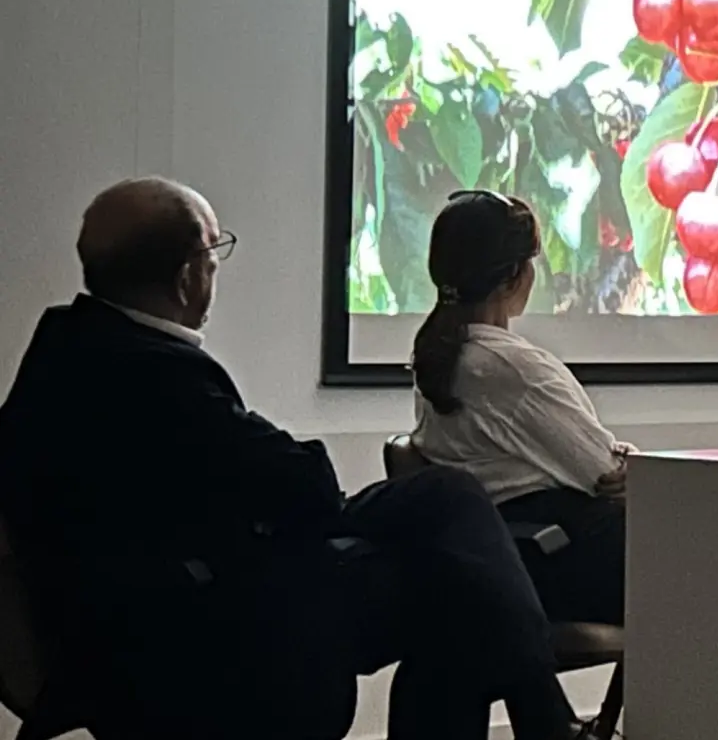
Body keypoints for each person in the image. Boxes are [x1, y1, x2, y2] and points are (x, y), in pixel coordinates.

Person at [0, 178, 587, 740]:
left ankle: (544, 718)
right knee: (451, 560)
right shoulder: (151, 369)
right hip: (198, 639)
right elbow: (301, 485)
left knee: (451, 528)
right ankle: (545, 718)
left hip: (135, 622)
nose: (215, 270)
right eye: (214, 254)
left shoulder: (67, 346)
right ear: (186, 279)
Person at [409, 191, 628, 626]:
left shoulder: (439, 359)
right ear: (515, 276)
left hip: (501, 573)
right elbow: (605, 474)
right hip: (561, 570)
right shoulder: (515, 369)